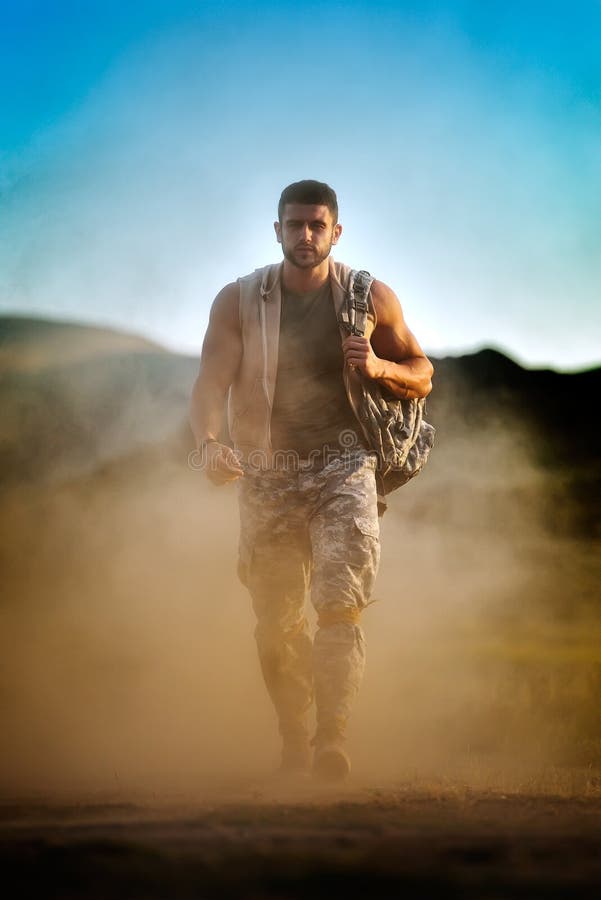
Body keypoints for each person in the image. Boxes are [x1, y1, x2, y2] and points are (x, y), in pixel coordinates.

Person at [189, 180, 433, 780]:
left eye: (316, 225)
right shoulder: (238, 300)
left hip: (345, 465)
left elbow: (422, 372)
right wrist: (209, 446)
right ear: (276, 230)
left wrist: (377, 365)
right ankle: (294, 737)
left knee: (340, 605)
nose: (305, 236)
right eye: (294, 225)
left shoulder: (368, 295)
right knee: (275, 620)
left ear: (335, 231)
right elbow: (209, 385)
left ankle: (332, 737)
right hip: (267, 472)